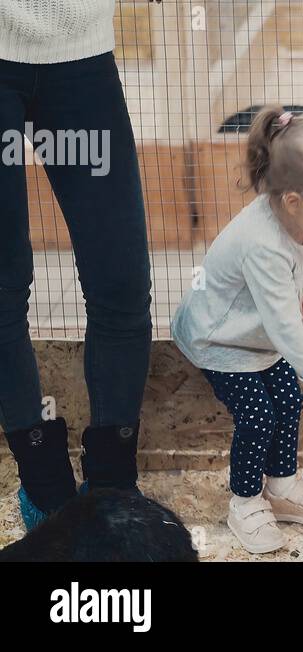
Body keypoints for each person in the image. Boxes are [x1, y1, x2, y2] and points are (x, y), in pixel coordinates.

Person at [170, 107, 303, 553]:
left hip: (249, 332)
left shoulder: (288, 215)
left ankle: (280, 487)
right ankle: (245, 502)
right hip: (218, 340)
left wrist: (290, 296)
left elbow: (274, 292)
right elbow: (284, 327)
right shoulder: (262, 241)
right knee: (259, 416)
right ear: (296, 201)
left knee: (287, 398)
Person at [1, 0, 153, 529]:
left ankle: (113, 481)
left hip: (81, 49)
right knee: (3, 286)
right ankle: (45, 489)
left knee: (122, 283)